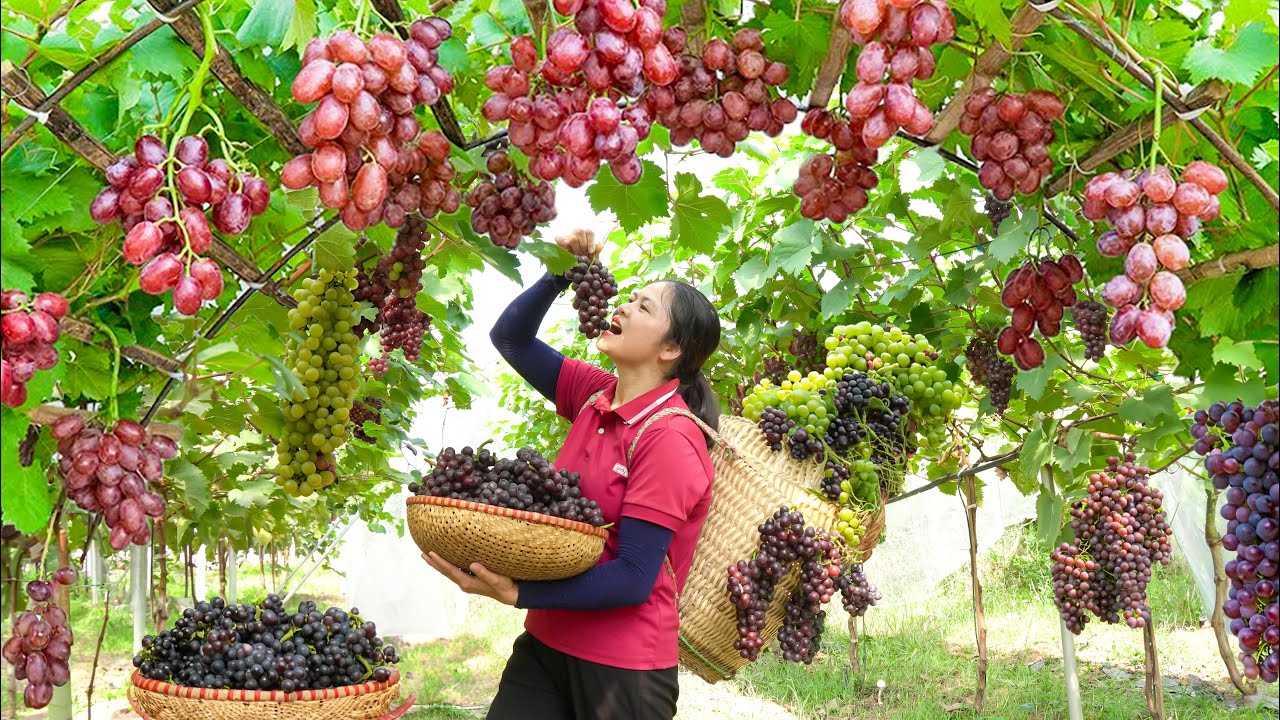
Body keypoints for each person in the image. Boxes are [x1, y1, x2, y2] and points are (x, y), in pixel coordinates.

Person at [423, 229, 721, 720]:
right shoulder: (594, 394)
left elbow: (631, 579)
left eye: (644, 308)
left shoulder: (669, 438)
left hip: (624, 670)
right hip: (546, 643)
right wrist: (560, 271)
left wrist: (518, 593)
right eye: (630, 299)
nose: (623, 307)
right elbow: (511, 339)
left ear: (671, 351)